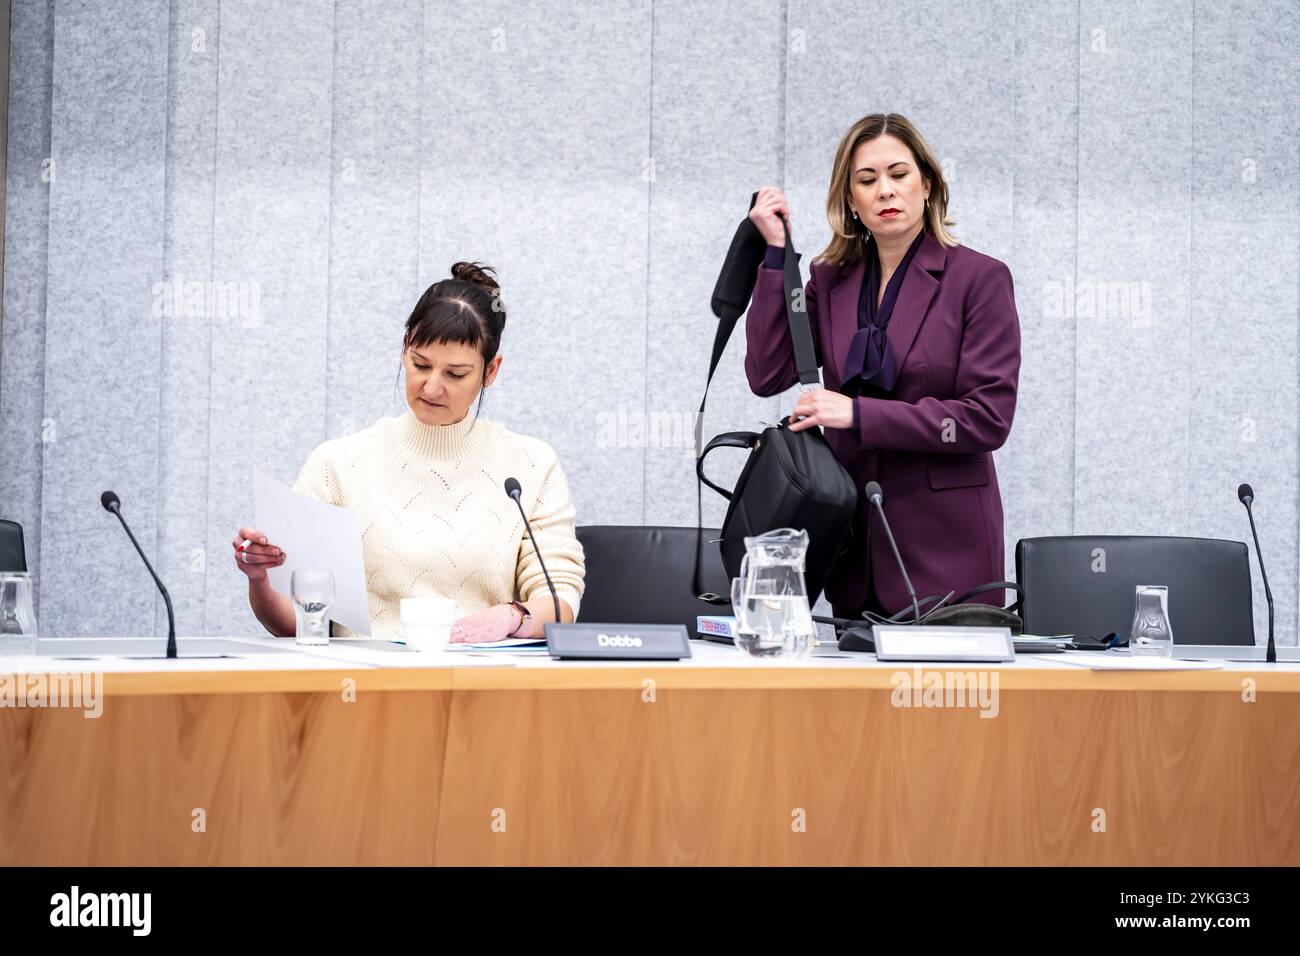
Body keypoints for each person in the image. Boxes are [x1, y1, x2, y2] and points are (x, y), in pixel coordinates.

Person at [744, 113, 1020, 619]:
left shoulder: (979, 279)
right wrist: (776, 256)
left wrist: (858, 415)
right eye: (867, 181)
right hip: (854, 559)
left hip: (948, 557)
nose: (885, 191)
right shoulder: (831, 281)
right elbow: (766, 373)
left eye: (899, 175)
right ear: (851, 200)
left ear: (928, 184)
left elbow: (987, 418)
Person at [233, 261, 585, 642]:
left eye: (455, 374)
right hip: (364, 687)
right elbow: (297, 622)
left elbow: (560, 601)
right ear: (405, 350)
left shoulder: (530, 466)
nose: (431, 388)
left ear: (491, 371)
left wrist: (513, 617)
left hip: (484, 685)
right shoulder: (337, 465)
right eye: (420, 364)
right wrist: (262, 580)